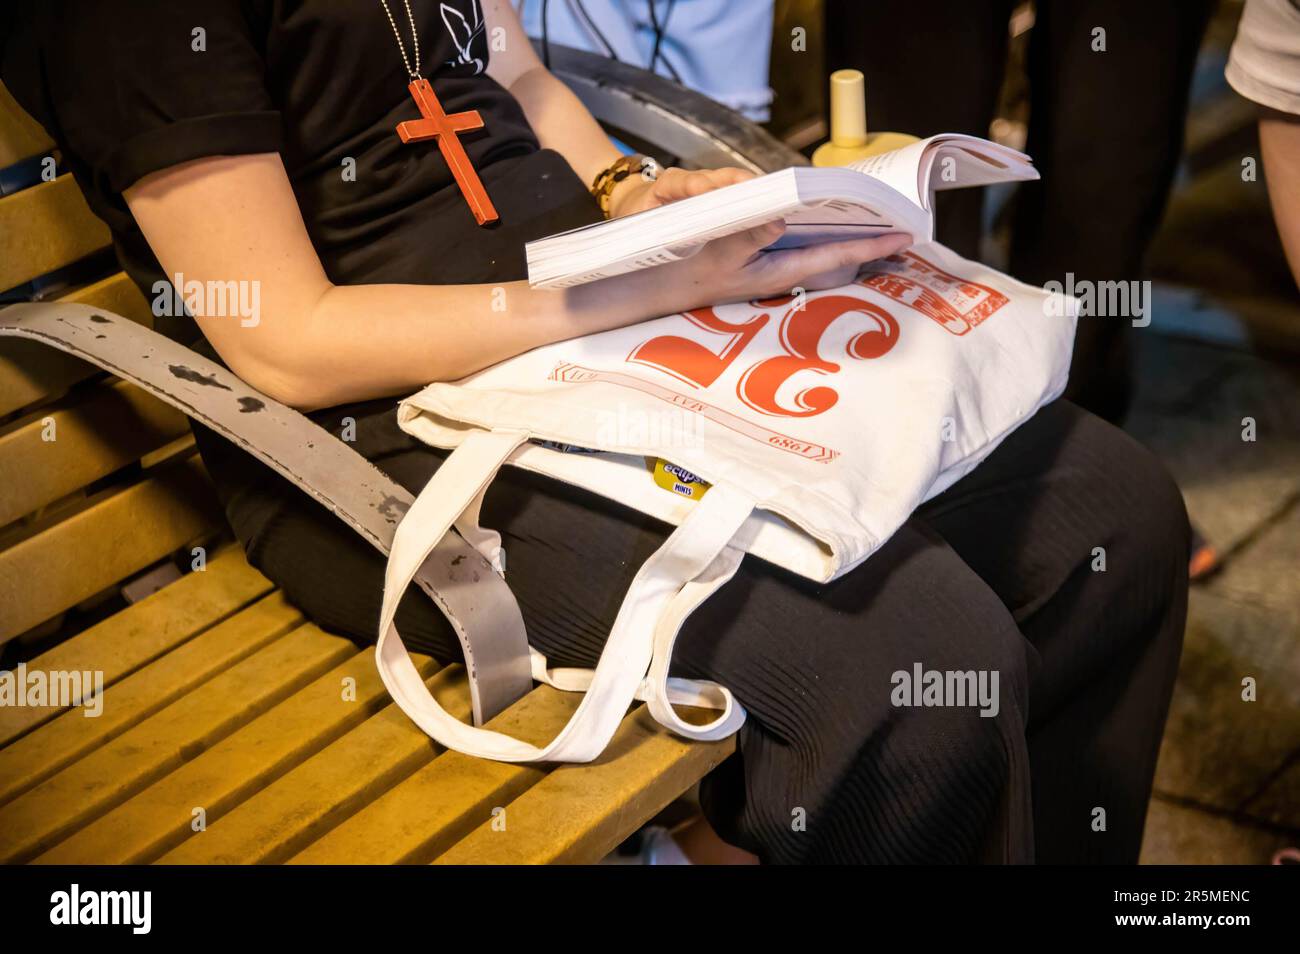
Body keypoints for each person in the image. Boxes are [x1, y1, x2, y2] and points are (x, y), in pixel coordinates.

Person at [3, 0, 1189, 864]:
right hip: (379, 435)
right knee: (924, 669)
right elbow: (287, 341)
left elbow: (512, 72)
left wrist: (630, 191)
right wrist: (639, 291)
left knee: (1111, 517)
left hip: (600, 331)